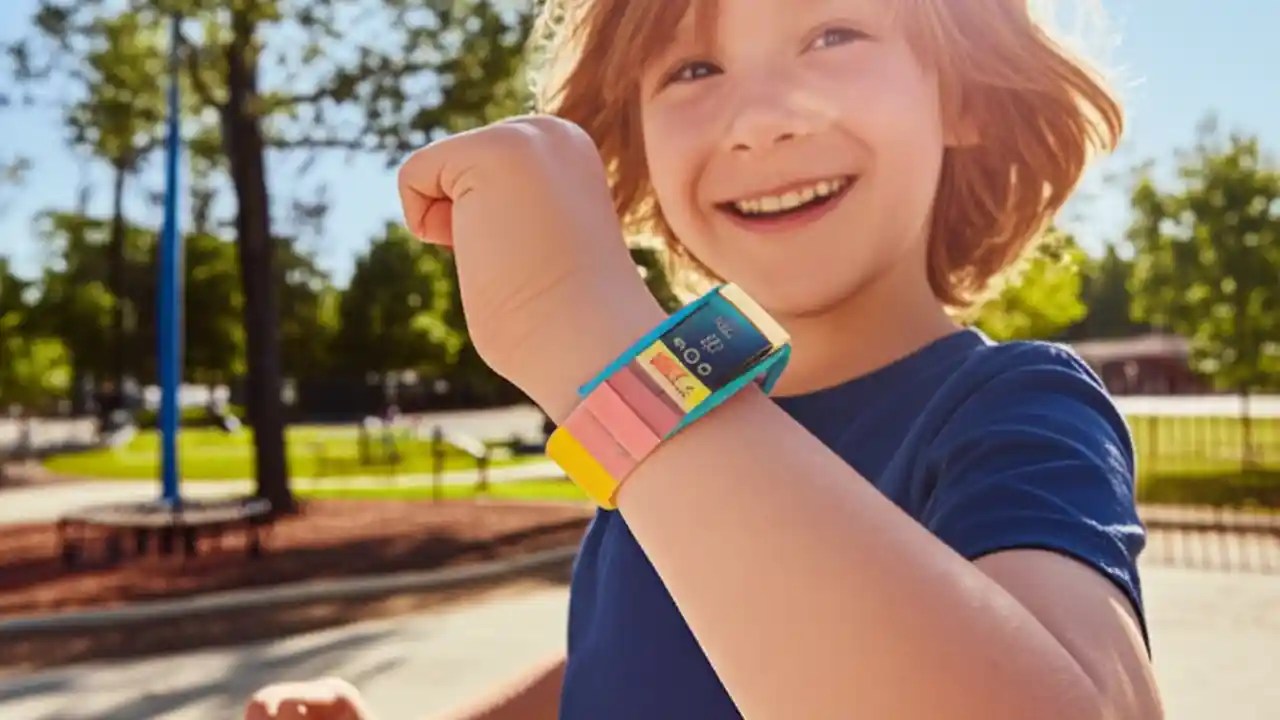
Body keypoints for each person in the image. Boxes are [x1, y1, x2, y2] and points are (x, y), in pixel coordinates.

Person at [245, 0, 1163, 717]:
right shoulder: (680, 421)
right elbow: (642, 652)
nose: (759, 121)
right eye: (693, 68)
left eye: (834, 34)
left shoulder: (1013, 406)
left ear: (961, 94)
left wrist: (594, 332)